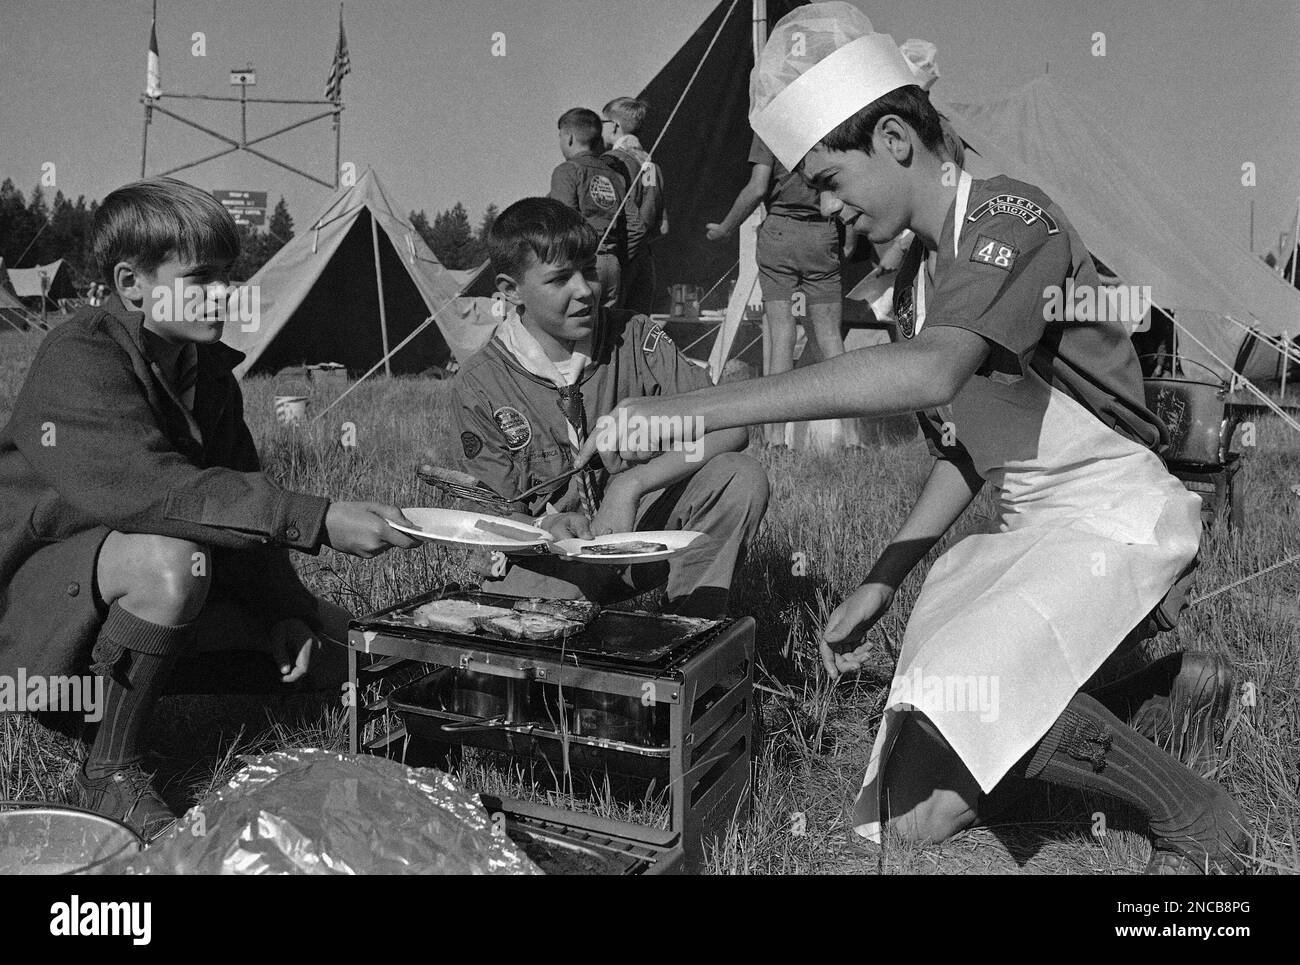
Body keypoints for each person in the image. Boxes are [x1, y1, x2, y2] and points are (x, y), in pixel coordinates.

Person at [581, 3, 1247, 874]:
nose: (827, 211)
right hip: (1033, 526)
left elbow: (932, 375)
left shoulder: (1015, 218)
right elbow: (966, 447)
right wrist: (882, 581)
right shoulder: (928, 276)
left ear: (894, 138)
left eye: (828, 180)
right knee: (913, 811)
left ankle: (1198, 817)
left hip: (1111, 515)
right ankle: (1157, 690)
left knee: (981, 682)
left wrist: (708, 409)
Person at [0, 177, 420, 837]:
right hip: (36, 600)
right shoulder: (80, 357)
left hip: (119, 581)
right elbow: (159, 492)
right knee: (175, 566)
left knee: (338, 636)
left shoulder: (209, 374)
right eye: (201, 277)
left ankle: (415, 731)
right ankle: (106, 769)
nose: (225, 294)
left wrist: (286, 607)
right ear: (132, 283)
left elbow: (231, 489)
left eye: (228, 276)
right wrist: (320, 516)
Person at [443, 197, 768, 618]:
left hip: (639, 533)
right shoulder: (479, 385)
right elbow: (486, 516)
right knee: (532, 633)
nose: (584, 290)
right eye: (560, 279)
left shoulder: (635, 338)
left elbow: (730, 428)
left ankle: (688, 629)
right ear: (510, 290)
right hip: (550, 564)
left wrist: (632, 485)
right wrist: (545, 529)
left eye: (590, 270)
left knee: (738, 476)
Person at [707, 129, 847, 446]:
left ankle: (775, 437)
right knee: (829, 337)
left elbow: (757, 187)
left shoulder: (771, 129)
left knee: (781, 333)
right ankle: (850, 435)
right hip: (822, 233)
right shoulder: (830, 127)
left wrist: (726, 228)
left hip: (780, 232)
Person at [550, 107, 631, 312]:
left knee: (576, 334)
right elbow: (633, 223)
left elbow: (563, 224)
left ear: (569, 138)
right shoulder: (616, 176)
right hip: (613, 264)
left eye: (560, 137)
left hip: (583, 265)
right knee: (606, 331)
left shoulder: (566, 171)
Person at [602, 97, 667, 315]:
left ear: (614, 126)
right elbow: (662, 225)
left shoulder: (611, 162)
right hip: (645, 262)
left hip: (619, 260)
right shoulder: (651, 165)